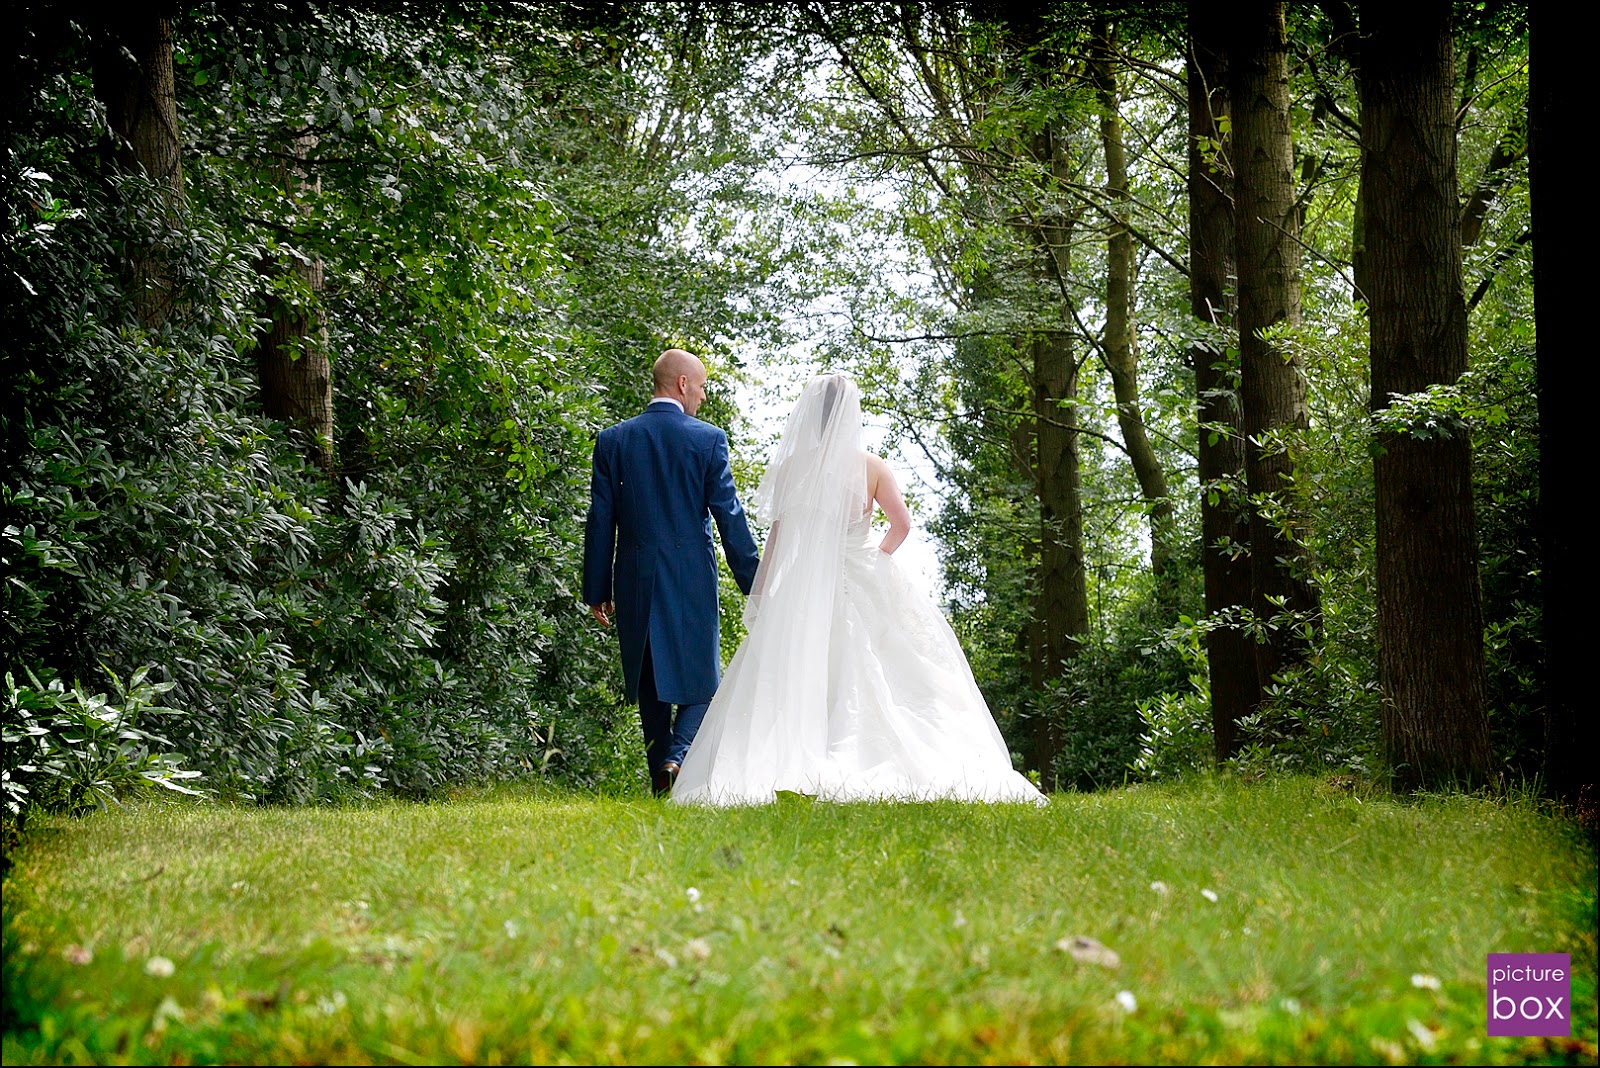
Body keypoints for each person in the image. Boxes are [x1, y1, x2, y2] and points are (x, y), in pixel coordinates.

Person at [670, 373, 1046, 806]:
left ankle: (798, 753)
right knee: (886, 667)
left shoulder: (793, 468)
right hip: (860, 574)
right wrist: (875, 558)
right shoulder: (871, 467)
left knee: (799, 668)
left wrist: (762, 593)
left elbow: (776, 539)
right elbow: (902, 526)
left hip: (803, 590)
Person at [583, 349, 761, 796]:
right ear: (682, 384)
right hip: (690, 578)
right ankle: (676, 757)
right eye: (700, 387)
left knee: (651, 683)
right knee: (705, 684)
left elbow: (601, 518)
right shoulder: (707, 439)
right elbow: (729, 513)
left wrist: (596, 588)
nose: (701, 397)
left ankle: (662, 784)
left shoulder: (613, 440)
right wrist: (754, 580)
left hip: (634, 576)